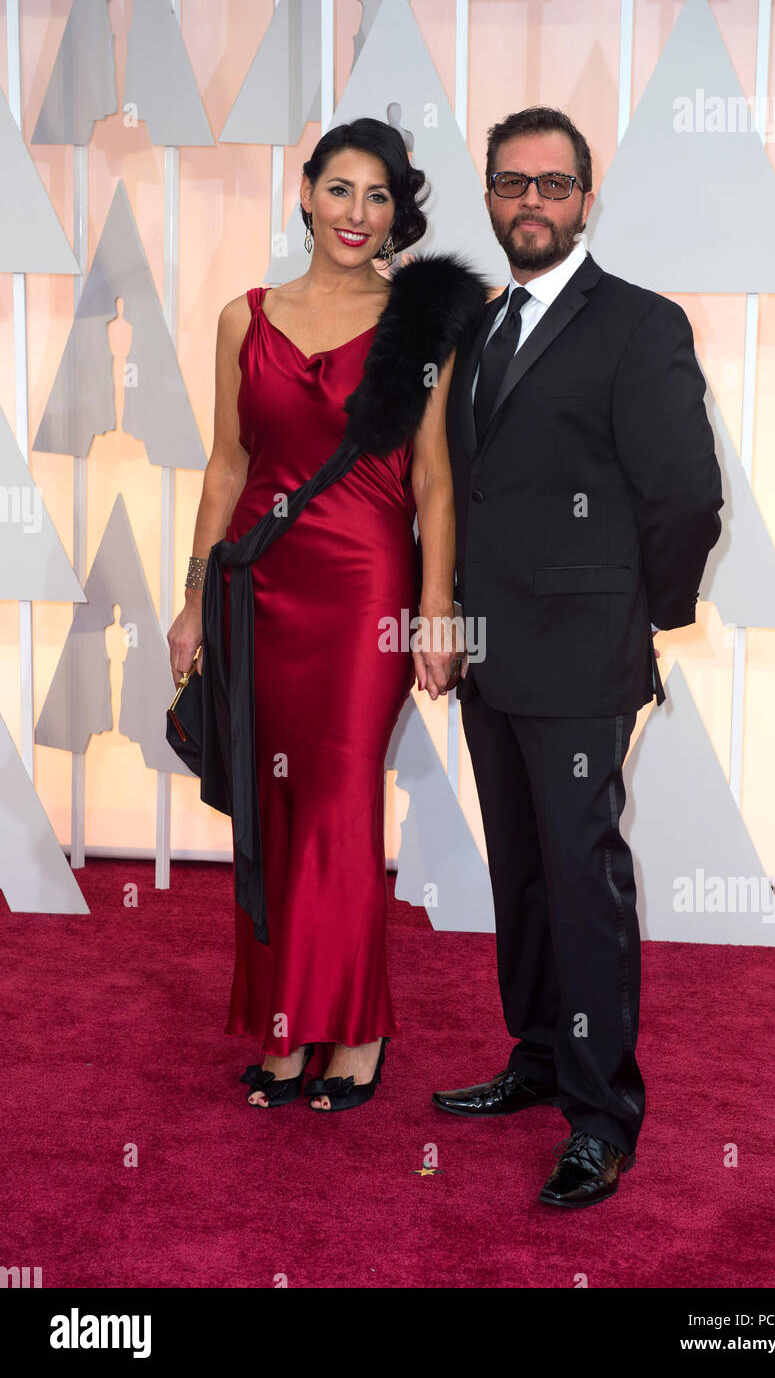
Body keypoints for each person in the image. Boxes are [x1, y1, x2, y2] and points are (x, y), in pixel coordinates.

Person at [434, 107, 723, 1206]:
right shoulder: (477, 324)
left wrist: (635, 615)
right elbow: (463, 491)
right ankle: (540, 1056)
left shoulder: (639, 325)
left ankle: (602, 1114)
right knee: (522, 876)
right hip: (491, 657)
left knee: (584, 883)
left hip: (585, 654)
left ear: (586, 199)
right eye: (513, 184)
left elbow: (685, 494)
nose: (532, 203)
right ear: (494, 196)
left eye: (553, 185)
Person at [168, 118, 474, 1113]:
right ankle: (287, 1025)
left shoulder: (417, 323)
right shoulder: (240, 318)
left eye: (378, 196)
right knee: (272, 808)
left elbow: (432, 475)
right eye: (340, 190)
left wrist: (435, 609)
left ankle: (356, 1025)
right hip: (256, 585)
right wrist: (191, 598)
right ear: (305, 194)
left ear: (397, 211)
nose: (356, 213)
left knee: (338, 800)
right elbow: (228, 465)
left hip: (362, 588)